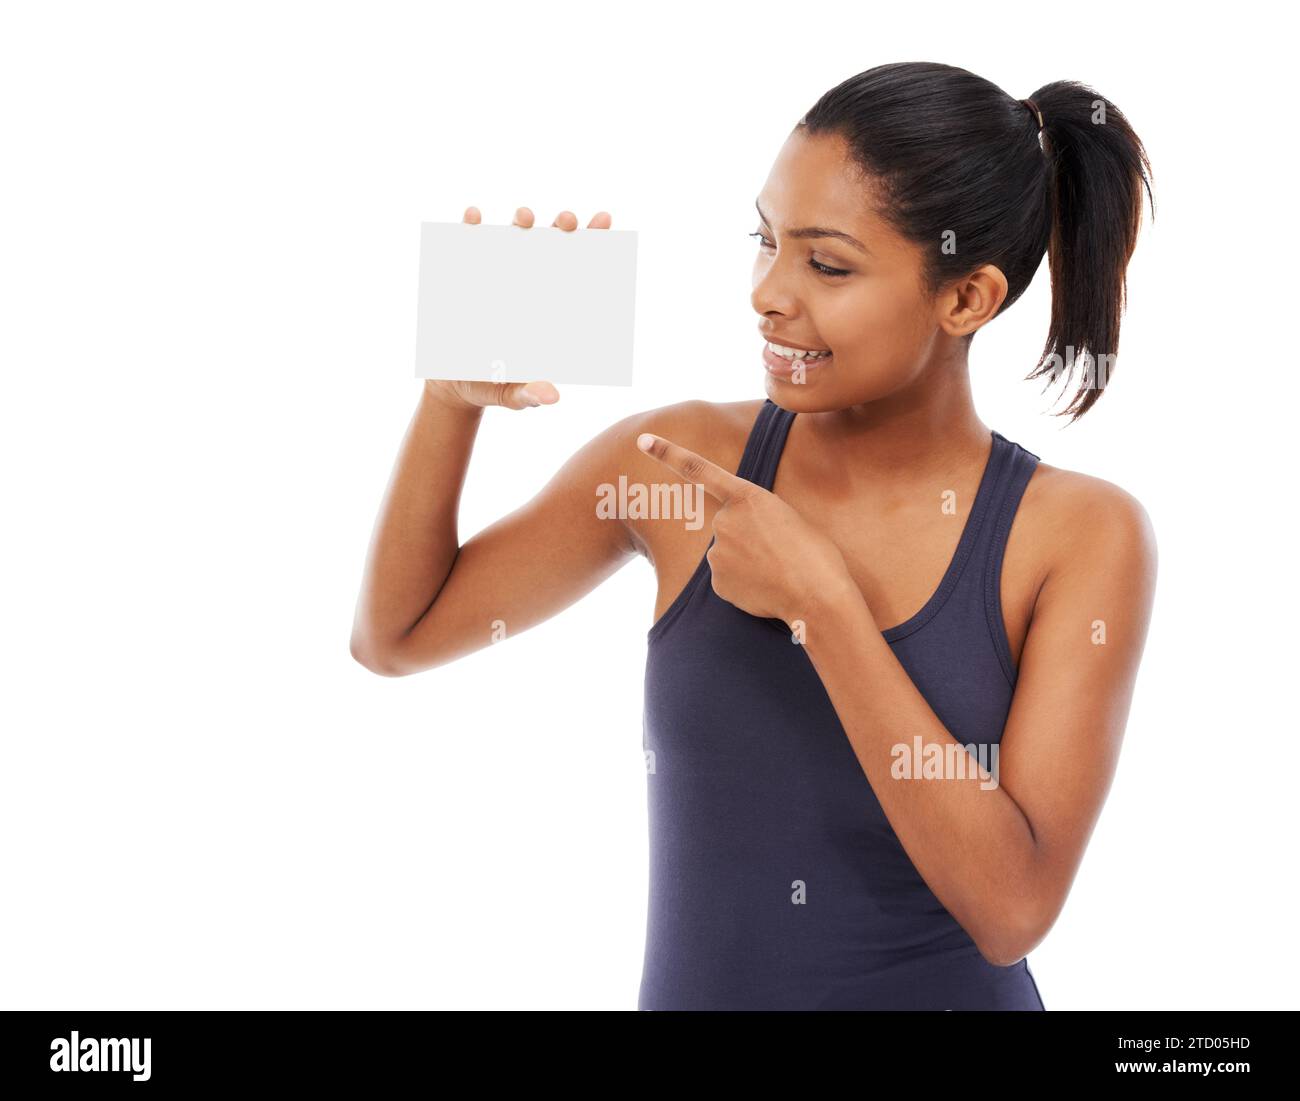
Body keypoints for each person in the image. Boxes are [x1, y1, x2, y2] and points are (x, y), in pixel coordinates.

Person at [350, 61, 1158, 1010]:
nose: (767, 293)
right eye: (764, 241)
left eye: (827, 263)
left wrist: (822, 605)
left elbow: (1012, 908)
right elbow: (396, 638)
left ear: (968, 299)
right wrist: (451, 402)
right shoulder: (676, 462)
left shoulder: (1078, 532)